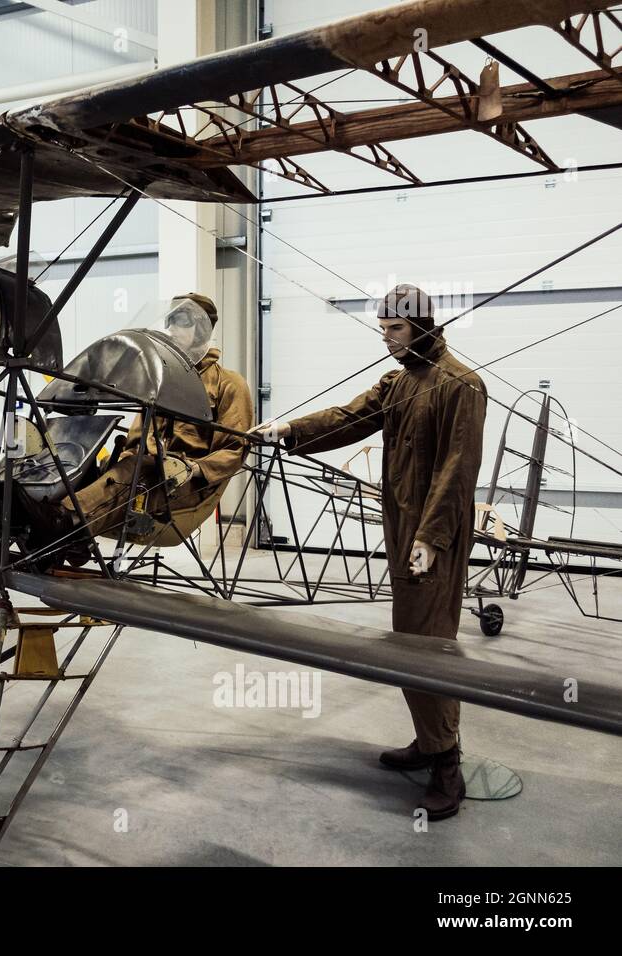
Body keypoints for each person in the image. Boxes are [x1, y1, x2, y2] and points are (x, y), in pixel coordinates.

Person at [251, 283, 486, 821]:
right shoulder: (398, 383)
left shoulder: (461, 385)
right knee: (408, 645)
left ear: (423, 325)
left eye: (396, 330)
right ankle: (429, 745)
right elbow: (347, 418)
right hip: (403, 532)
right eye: (381, 331)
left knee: (428, 649)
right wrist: (289, 429)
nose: (387, 341)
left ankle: (447, 764)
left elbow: (457, 471)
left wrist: (431, 539)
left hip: (435, 539)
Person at [65, 293, 254, 541]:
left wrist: (193, 469)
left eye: (182, 321)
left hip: (185, 485)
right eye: (171, 320)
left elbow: (235, 449)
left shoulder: (228, 384)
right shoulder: (162, 381)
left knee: (137, 468)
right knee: (84, 460)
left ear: (201, 328)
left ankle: (66, 519)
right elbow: (135, 440)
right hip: (145, 475)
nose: (172, 328)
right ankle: (51, 517)